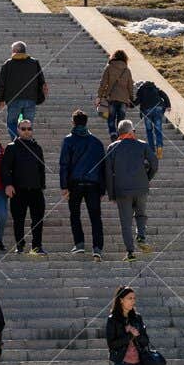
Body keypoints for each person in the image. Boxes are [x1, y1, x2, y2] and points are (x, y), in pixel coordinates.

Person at [59, 109, 106, 260]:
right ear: (86, 122)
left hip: (75, 184)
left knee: (75, 215)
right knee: (95, 218)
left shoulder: (68, 140)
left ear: (73, 122)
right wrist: (102, 189)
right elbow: (103, 167)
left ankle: (79, 244)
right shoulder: (97, 142)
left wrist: (64, 186)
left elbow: (64, 165)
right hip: (93, 185)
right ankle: (97, 248)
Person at [104, 119, 155, 260]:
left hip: (122, 191)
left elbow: (108, 173)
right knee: (141, 214)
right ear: (131, 131)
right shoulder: (142, 145)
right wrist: (147, 179)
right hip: (141, 188)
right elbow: (154, 164)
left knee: (125, 222)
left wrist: (111, 193)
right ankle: (141, 237)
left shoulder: (112, 147)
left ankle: (131, 252)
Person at [2, 118, 47, 256]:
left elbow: (41, 168)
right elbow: (5, 169)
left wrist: (42, 185)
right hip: (18, 190)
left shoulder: (37, 147)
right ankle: (20, 245)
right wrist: (8, 185)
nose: (27, 131)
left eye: (29, 128)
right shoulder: (11, 147)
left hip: (35, 190)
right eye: (23, 128)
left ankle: (37, 246)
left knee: (38, 219)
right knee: (18, 220)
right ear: (18, 130)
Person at [106, 285, 151, 365]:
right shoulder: (112, 319)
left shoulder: (137, 318)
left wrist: (137, 336)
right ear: (121, 300)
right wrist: (129, 336)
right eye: (129, 298)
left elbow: (145, 340)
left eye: (134, 298)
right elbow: (112, 344)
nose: (133, 301)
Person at [0, 39, 47, 138]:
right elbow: (42, 81)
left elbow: (2, 83)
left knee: (12, 122)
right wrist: (41, 95)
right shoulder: (34, 63)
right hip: (30, 99)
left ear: (15, 51)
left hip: (13, 99)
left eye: (12, 50)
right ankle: (26, 143)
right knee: (28, 124)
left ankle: (16, 142)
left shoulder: (7, 64)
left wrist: (1, 99)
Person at [97, 49, 134, 139]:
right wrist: (131, 97)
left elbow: (103, 83)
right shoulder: (127, 70)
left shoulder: (109, 67)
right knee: (121, 119)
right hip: (124, 99)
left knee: (111, 118)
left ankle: (113, 133)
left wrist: (99, 96)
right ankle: (120, 136)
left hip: (111, 97)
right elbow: (130, 86)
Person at [135, 78, 170, 161]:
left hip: (147, 110)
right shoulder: (154, 88)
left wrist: (130, 103)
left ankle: (151, 149)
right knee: (158, 130)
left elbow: (137, 102)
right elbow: (164, 95)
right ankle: (159, 148)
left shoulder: (141, 90)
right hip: (158, 109)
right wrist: (168, 105)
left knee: (149, 130)